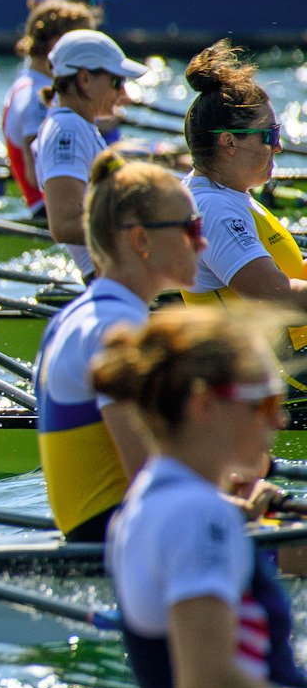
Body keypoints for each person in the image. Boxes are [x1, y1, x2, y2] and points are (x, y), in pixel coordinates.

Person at [102, 304, 307, 688]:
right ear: (204, 406)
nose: (279, 421)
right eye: (264, 403)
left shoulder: (148, 501)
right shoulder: (198, 515)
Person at [33, 156, 202, 541]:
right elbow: (148, 477)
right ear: (141, 240)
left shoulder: (76, 315)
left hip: (108, 529)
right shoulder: (114, 329)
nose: (202, 242)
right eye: (191, 228)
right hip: (120, 540)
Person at [180, 41, 307, 390]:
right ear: (229, 143)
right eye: (269, 134)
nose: (278, 146)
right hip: (269, 376)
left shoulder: (229, 195)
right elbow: (275, 295)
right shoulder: (214, 209)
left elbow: (284, 274)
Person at [35, 29, 146, 278]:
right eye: (117, 82)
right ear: (84, 79)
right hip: (109, 276)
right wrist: (148, 230)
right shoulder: (68, 131)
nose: (123, 93)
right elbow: (64, 225)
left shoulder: (79, 126)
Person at [0, 0, 101, 215]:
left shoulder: (31, 84)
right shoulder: (35, 99)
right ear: (56, 45)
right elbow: (35, 176)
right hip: (49, 214)